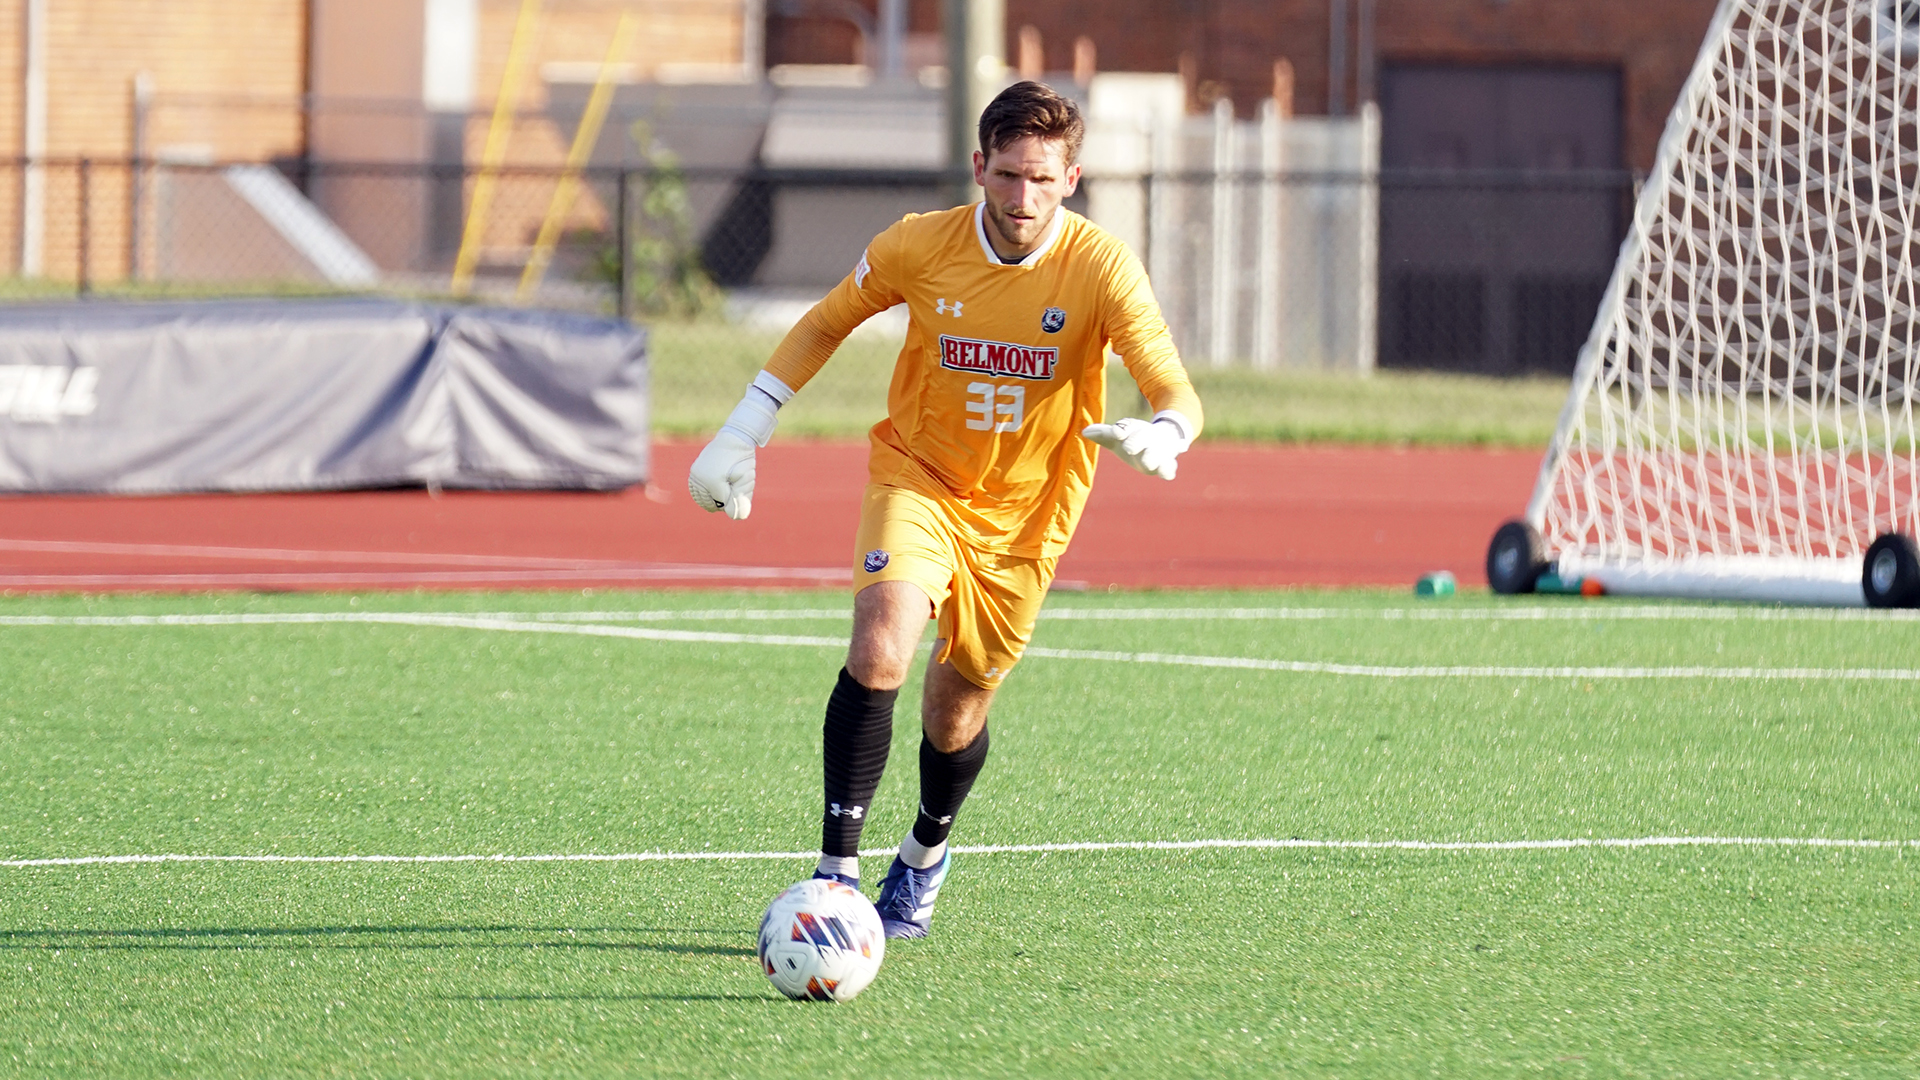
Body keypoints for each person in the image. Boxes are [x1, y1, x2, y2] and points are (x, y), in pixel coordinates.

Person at [688, 81, 1203, 939]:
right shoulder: (918, 245)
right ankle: (835, 881)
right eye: (1007, 176)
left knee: (956, 709)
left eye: (1042, 180)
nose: (1022, 199)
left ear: (1071, 178)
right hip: (918, 475)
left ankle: (925, 854)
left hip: (1029, 517)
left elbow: (1168, 379)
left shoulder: (1102, 265)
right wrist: (746, 426)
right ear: (979, 166)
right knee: (882, 643)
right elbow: (826, 321)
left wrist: (1170, 430)